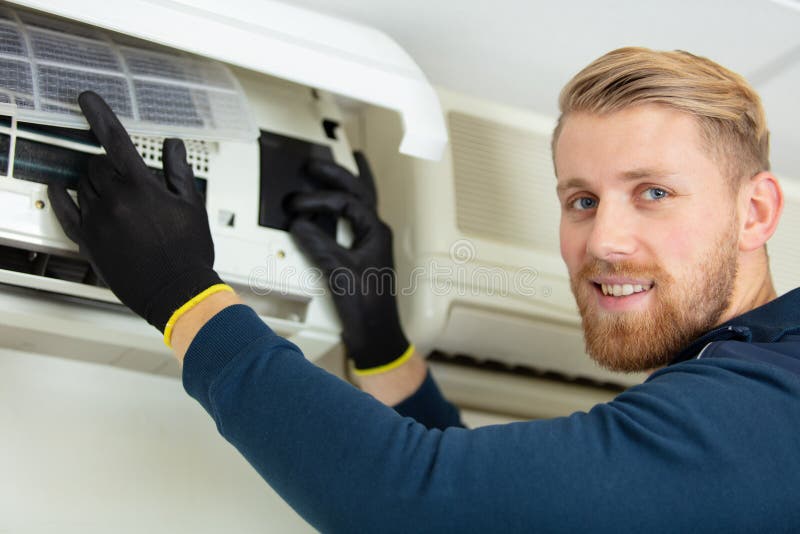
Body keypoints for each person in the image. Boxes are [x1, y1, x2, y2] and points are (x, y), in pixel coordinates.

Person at [47, 46, 799, 532]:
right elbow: (492, 513)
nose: (603, 240)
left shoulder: (767, 400)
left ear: (755, 211)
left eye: (655, 193)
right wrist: (380, 341)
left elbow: (409, 502)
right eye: (581, 200)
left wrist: (186, 297)